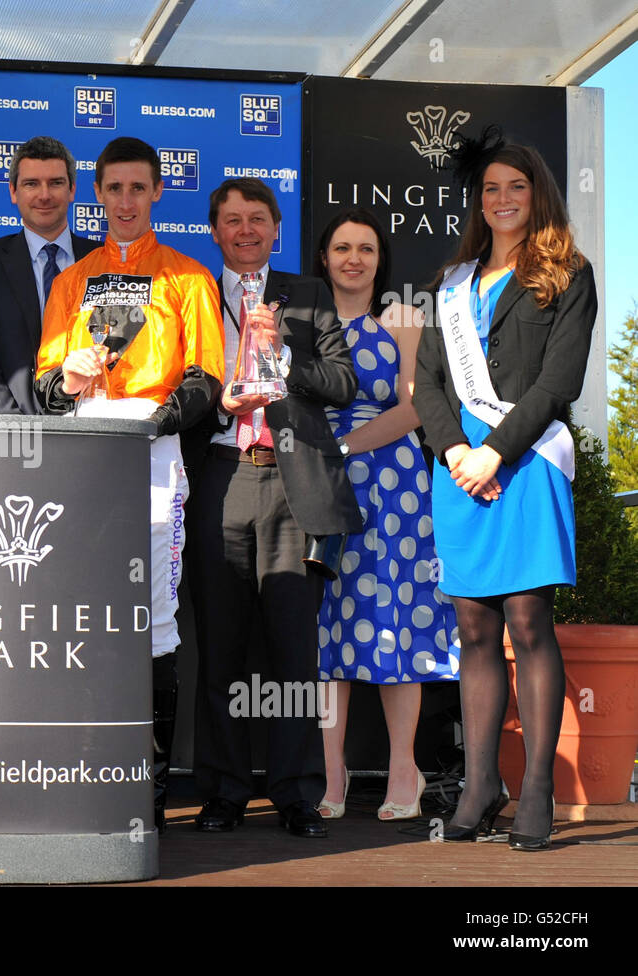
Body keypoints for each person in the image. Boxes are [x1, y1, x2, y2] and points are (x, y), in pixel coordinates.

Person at [35, 136, 225, 830]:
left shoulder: (189, 278)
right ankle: (86, 770)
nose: (124, 201)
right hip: (83, 453)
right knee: (82, 608)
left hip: (151, 454)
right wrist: (71, 382)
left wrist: (148, 424)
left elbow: (208, 380)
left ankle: (146, 789)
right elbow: (45, 387)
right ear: (98, 195)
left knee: (153, 617)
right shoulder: (71, 281)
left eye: (137, 189)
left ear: (156, 194)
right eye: (113, 189)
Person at [414, 136, 597, 851]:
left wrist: (495, 449)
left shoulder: (567, 273)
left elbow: (560, 382)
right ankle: (481, 783)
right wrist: (457, 449)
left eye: (514, 186)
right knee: (473, 629)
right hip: (460, 470)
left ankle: (538, 791)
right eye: (489, 189)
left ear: (538, 192)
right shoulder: (454, 282)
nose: (501, 199)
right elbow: (427, 380)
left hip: (525, 465)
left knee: (527, 621)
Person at [186, 177, 361, 838]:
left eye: (257, 219)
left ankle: (296, 794)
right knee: (221, 650)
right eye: (232, 221)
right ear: (215, 232)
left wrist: (283, 356)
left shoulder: (309, 295)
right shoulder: (193, 295)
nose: (246, 231)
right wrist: (217, 407)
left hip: (291, 485)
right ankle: (224, 792)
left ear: (276, 228)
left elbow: (342, 383)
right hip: (220, 477)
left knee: (294, 653)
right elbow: (177, 389)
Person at [310, 208, 460, 822]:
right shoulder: (302, 324)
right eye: (342, 247)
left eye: (365, 248)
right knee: (327, 628)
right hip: (317, 485)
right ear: (323, 258)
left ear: (379, 260)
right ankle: (330, 773)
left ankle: (405, 767)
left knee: (396, 618)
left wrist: (345, 446)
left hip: (392, 487)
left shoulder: (401, 320)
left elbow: (418, 408)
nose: (353, 258)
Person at [0, 136, 99, 414]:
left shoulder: (101, 260)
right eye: (31, 184)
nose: (44, 195)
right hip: (12, 435)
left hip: (94, 423)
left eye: (56, 183)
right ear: (13, 192)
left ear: (72, 190)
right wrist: (14, 431)